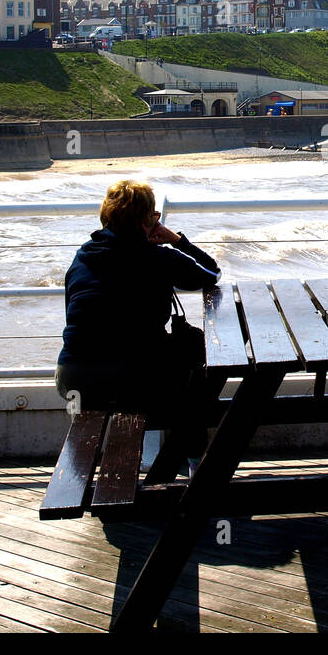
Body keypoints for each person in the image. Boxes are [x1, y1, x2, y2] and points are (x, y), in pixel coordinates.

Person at [57, 179, 221, 455]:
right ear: (146, 220)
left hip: (74, 378)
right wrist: (177, 240)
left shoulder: (82, 258)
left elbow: (74, 320)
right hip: (131, 378)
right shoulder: (157, 258)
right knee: (194, 374)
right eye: (153, 215)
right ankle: (192, 462)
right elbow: (211, 274)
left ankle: (174, 460)